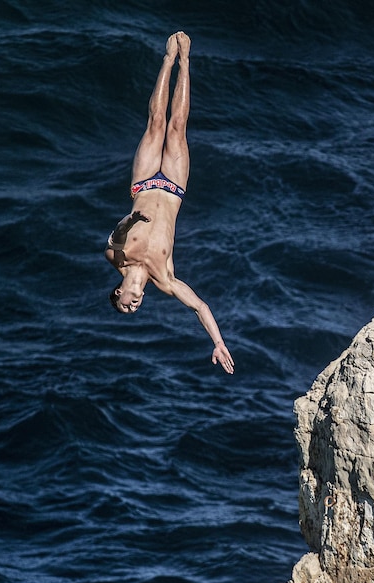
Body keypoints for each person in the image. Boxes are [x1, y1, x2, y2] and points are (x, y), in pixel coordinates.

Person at [106, 32, 235, 374]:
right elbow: (199, 306)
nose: (133, 307)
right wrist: (218, 342)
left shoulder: (117, 259)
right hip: (174, 188)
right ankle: (186, 61)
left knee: (156, 122)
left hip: (144, 183)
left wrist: (132, 221)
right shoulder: (165, 278)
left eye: (125, 306)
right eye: (134, 310)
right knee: (178, 126)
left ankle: (167, 59)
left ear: (118, 293)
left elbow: (116, 236)